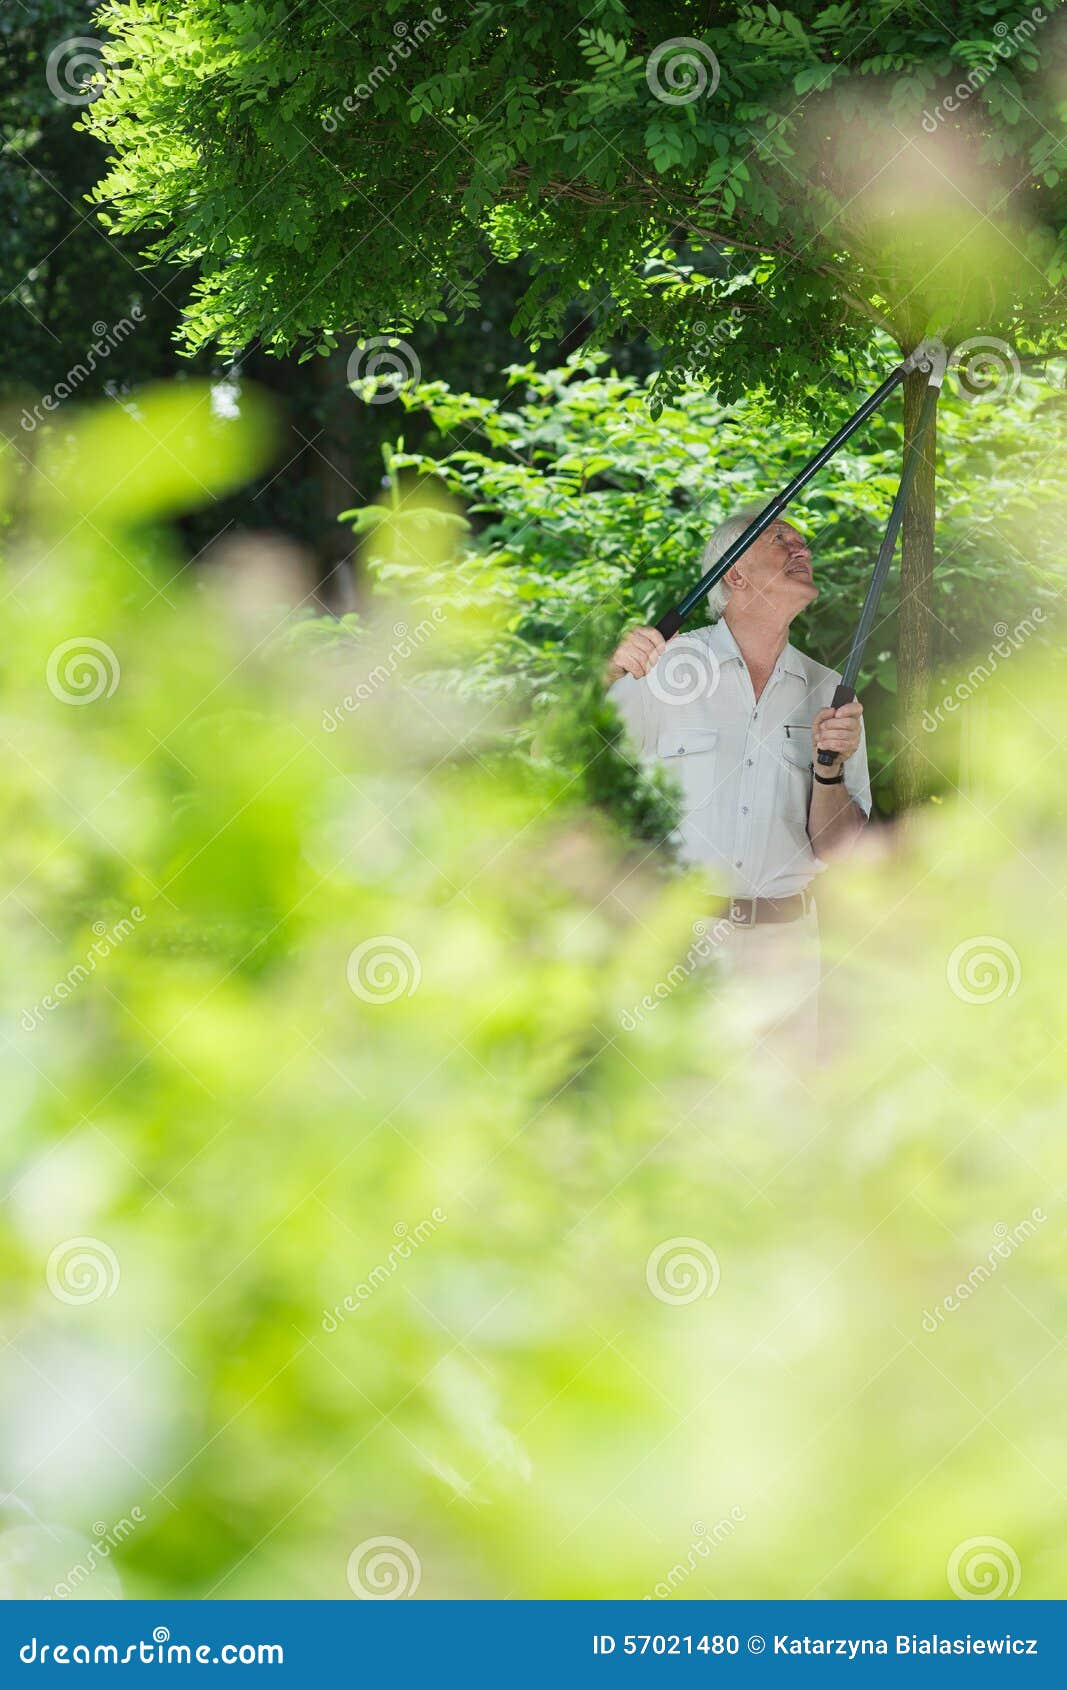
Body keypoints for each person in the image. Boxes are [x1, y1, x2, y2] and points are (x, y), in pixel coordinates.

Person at [606, 504, 871, 1066]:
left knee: (780, 1131)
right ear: (735, 572)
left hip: (788, 953)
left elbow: (843, 851)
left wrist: (830, 767)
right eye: (782, 540)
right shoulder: (662, 669)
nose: (803, 550)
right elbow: (555, 755)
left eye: (803, 542)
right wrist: (601, 678)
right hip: (680, 949)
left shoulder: (831, 695)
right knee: (677, 1123)